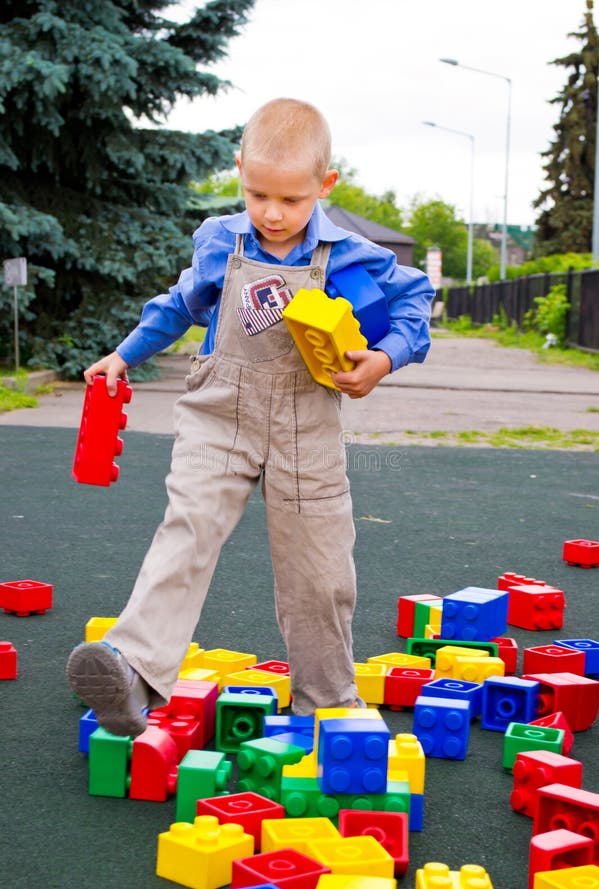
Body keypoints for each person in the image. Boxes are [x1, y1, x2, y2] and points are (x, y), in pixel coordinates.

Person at [66, 98, 434, 736]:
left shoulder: (350, 254)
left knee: (319, 569)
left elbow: (414, 300)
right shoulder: (219, 240)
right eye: (257, 193)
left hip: (306, 428)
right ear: (239, 171)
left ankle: (326, 700)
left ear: (325, 186)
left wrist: (383, 359)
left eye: (291, 200)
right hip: (219, 416)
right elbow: (177, 307)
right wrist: (124, 355)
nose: (272, 213)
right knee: (187, 531)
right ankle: (131, 671)